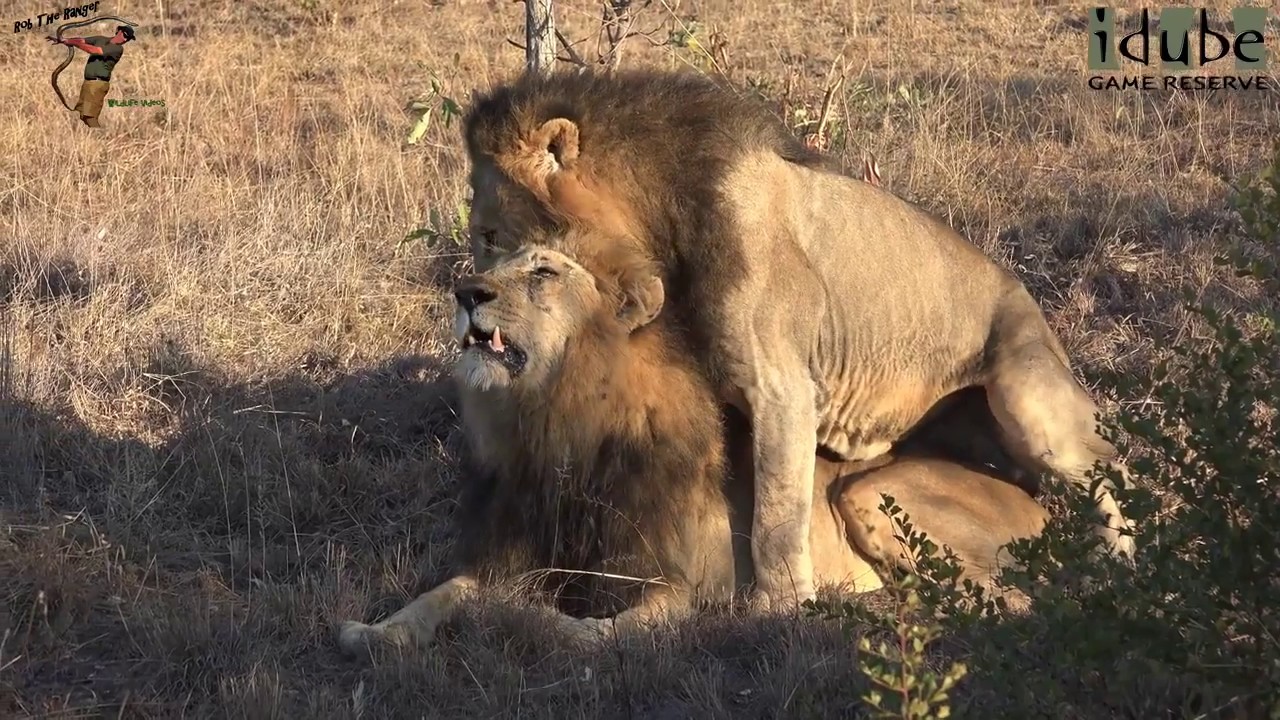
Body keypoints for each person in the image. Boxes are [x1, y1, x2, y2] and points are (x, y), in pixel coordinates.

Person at [46, 25, 135, 128]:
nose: (125, 39)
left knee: (90, 117)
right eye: (124, 35)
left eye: (127, 38)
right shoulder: (101, 39)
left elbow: (95, 50)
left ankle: (99, 136)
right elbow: (82, 40)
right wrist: (64, 40)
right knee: (81, 114)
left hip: (98, 84)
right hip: (88, 83)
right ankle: (87, 138)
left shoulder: (117, 49)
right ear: (118, 31)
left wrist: (71, 42)